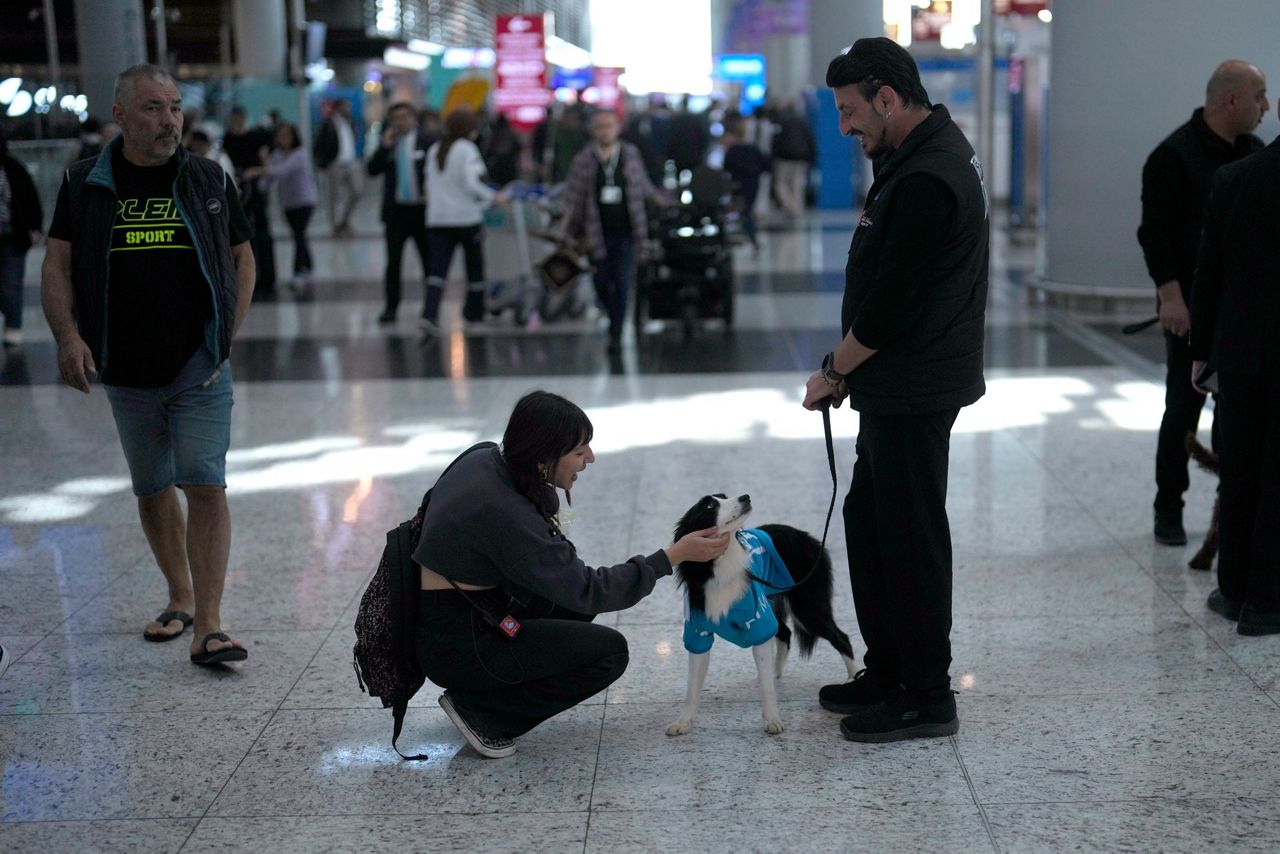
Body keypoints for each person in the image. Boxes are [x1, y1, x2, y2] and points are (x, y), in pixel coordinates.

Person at [801, 38, 989, 742]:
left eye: (850, 111)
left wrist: (835, 370)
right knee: (873, 523)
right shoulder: (917, 155)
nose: (844, 126)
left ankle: (926, 694)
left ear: (886, 98)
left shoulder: (926, 177)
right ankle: (889, 669)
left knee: (909, 538)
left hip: (914, 383)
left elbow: (891, 307)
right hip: (897, 383)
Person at [40, 64, 256, 667]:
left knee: (205, 484)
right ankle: (179, 597)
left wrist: (225, 333)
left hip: (199, 364)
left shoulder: (207, 177)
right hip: (125, 367)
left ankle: (209, 625)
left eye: (175, 107)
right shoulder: (83, 183)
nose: (169, 121)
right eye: (153, 108)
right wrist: (67, 336)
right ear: (121, 115)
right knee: (153, 486)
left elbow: (243, 258)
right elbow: (57, 264)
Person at [414, 390, 731, 758]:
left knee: (571, 606)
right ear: (543, 456)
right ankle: (483, 713)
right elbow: (589, 589)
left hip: (457, 612)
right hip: (458, 643)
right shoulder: (507, 514)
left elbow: (566, 582)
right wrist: (672, 556)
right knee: (608, 653)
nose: (590, 458)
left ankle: (484, 691)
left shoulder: (484, 458)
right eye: (580, 452)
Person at [1138, 60, 1268, 546]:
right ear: (1232, 100)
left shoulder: (1254, 153)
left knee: (1238, 412)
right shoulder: (1173, 157)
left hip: (1242, 311)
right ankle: (1168, 507)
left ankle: (1233, 508)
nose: (1265, 107)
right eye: (1259, 95)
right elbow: (1155, 235)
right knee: (1183, 405)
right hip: (1191, 307)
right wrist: (1170, 296)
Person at [1190, 118, 1280, 636]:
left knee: (1240, 471)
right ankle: (1266, 602)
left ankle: (1234, 590)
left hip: (1240, 351)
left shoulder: (1235, 178)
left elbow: (1209, 272)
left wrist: (1201, 352)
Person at [561, 109, 662, 352]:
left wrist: (659, 200)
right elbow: (574, 198)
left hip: (627, 230)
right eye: (600, 127)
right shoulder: (584, 160)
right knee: (601, 280)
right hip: (596, 232)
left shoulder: (630, 155)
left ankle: (615, 333)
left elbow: (643, 185)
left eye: (609, 126)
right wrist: (568, 231)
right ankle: (610, 311)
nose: (605, 131)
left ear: (617, 128)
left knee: (622, 280)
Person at [422, 108, 500, 335]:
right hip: (466, 218)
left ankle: (429, 313)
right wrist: (494, 197)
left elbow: (427, 183)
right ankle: (475, 311)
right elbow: (472, 182)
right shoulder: (467, 149)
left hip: (438, 219)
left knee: (437, 269)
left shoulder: (435, 149)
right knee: (475, 267)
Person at [367, 102, 432, 324]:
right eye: (397, 118)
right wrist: (384, 147)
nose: (401, 121)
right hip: (396, 213)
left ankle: (430, 308)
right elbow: (372, 170)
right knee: (393, 262)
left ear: (413, 118)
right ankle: (391, 307)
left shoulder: (426, 142)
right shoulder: (390, 144)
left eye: (405, 116)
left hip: (421, 212)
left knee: (428, 261)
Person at [244, 121, 319, 295]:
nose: (283, 138)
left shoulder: (300, 154)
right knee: (299, 234)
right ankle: (308, 266)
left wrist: (258, 170)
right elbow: (271, 176)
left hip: (305, 202)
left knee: (299, 234)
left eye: (287, 135)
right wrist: (259, 186)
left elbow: (281, 170)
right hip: (288, 203)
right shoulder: (277, 154)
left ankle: (298, 271)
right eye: (280, 135)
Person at [222, 106, 276, 297]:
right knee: (242, 234)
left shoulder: (256, 137)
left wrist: (252, 172)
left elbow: (267, 166)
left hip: (255, 191)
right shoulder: (227, 138)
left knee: (261, 231)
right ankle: (248, 276)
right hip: (236, 192)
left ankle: (267, 276)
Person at [0, 125, 44, 347]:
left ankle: (13, 326)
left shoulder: (13, 168)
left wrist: (35, 227)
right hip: (13, 234)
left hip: (12, 235)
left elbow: (29, 198)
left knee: (12, 282)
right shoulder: (14, 167)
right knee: (10, 282)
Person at [313, 98, 362, 236]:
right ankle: (335, 226)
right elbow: (319, 144)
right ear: (338, 108)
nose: (348, 109)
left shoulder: (350, 123)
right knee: (334, 196)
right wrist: (323, 161)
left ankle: (344, 221)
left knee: (357, 191)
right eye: (345, 107)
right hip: (335, 163)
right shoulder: (329, 124)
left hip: (350, 162)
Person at [720, 113, 769, 252]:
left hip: (739, 185)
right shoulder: (753, 149)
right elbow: (765, 166)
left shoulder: (734, 151)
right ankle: (752, 239)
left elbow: (726, 167)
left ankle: (752, 239)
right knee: (746, 211)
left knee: (743, 212)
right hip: (753, 185)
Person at [770, 101, 816, 218]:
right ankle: (797, 210)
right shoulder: (802, 120)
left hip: (784, 157)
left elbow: (776, 140)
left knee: (781, 184)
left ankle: (790, 207)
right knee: (798, 185)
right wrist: (811, 156)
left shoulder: (781, 121)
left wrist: (773, 155)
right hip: (801, 157)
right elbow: (809, 138)